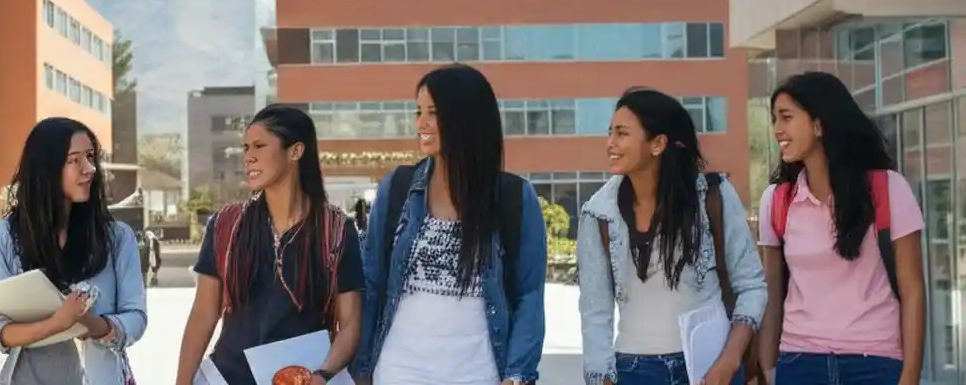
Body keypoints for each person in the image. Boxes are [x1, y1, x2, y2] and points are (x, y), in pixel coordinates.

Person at [352, 63, 548, 385]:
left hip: (478, 374)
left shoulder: (513, 197)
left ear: (466, 118)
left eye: (433, 113)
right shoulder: (397, 189)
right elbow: (372, 283)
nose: (421, 124)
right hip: (398, 372)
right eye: (418, 112)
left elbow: (529, 295)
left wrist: (517, 375)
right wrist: (361, 370)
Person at [576, 87, 767, 385]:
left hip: (709, 367)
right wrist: (602, 379)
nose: (610, 143)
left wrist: (728, 362)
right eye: (609, 132)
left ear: (658, 143)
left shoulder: (712, 196)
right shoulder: (598, 213)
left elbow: (752, 286)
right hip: (634, 371)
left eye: (622, 133)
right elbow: (594, 312)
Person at [175, 104, 363, 385]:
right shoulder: (227, 224)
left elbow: (350, 323)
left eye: (259, 146)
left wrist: (324, 373)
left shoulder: (335, 230)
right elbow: (203, 316)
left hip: (301, 378)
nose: (248, 157)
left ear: (295, 151)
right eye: (246, 148)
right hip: (226, 378)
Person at [757, 71, 925, 385]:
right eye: (774, 119)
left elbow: (913, 290)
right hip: (799, 362)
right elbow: (772, 291)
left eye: (786, 117)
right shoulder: (776, 201)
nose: (777, 129)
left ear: (819, 125)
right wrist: (768, 367)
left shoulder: (889, 189)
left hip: (874, 362)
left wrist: (910, 376)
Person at [0, 117, 148, 385]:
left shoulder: (117, 237)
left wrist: (91, 323)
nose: (89, 169)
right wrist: (57, 323)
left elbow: (136, 318)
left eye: (91, 157)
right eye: (75, 160)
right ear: (47, 168)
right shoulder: (4, 238)